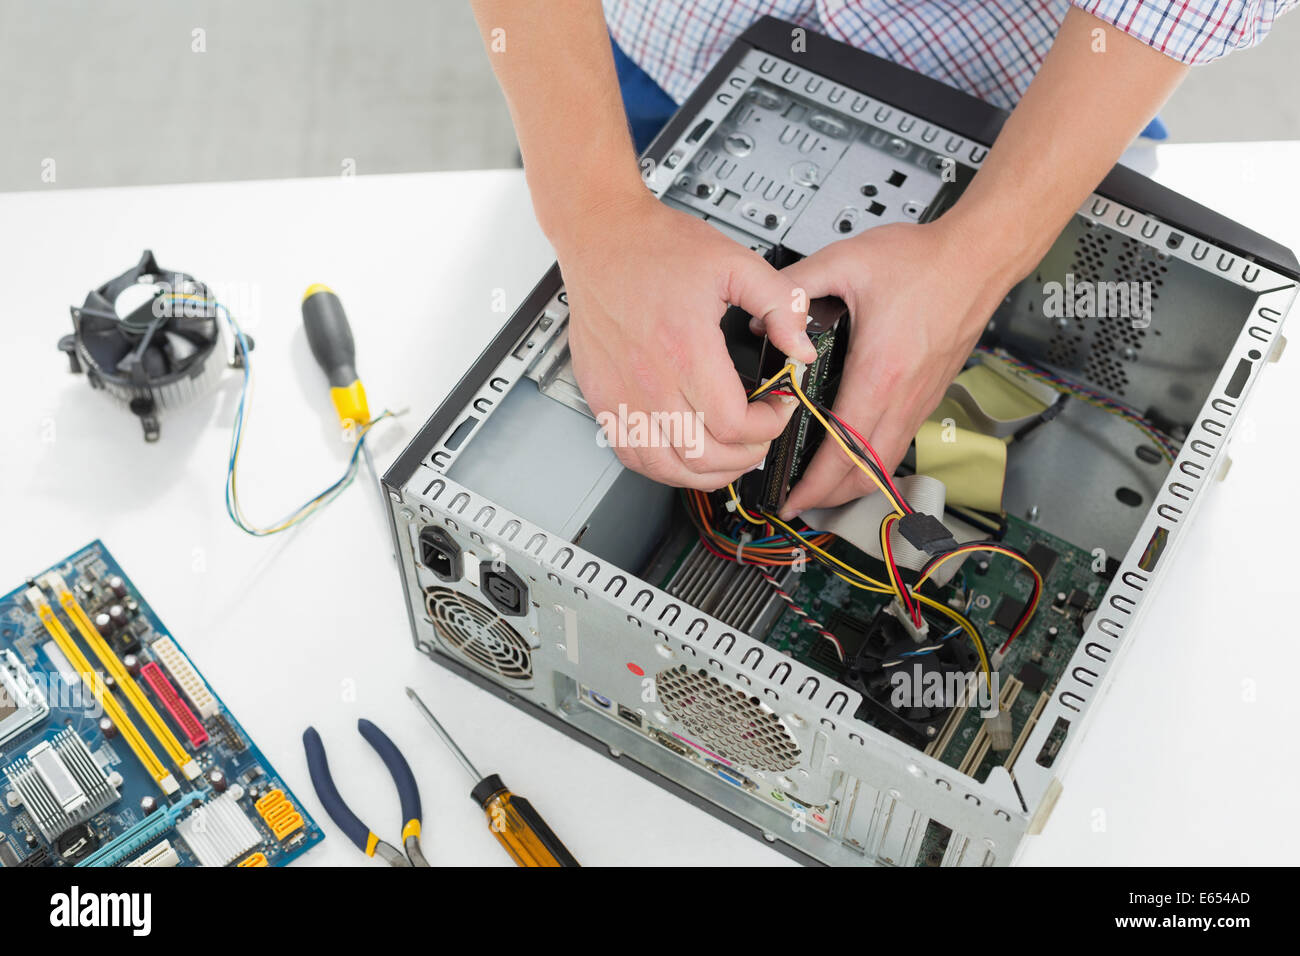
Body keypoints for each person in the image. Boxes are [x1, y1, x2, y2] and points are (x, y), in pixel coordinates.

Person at [468, 1, 1293, 518]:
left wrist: (982, 257)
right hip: (639, 68)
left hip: (1040, 115)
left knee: (976, 439)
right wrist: (596, 213)